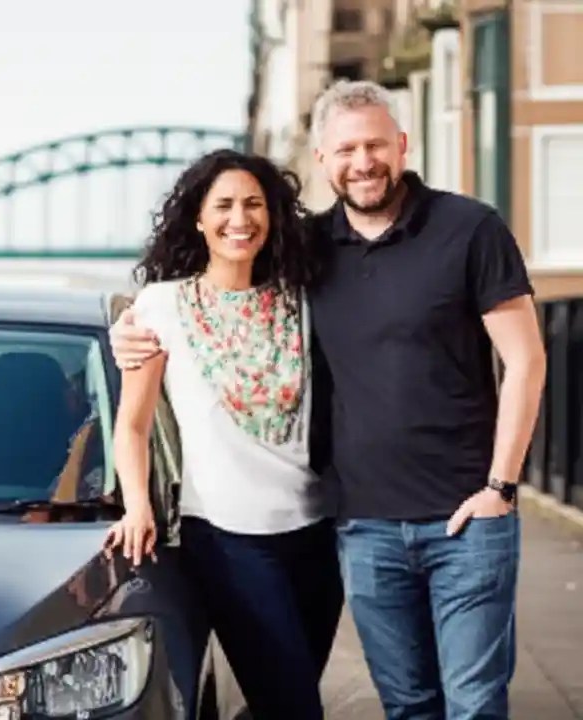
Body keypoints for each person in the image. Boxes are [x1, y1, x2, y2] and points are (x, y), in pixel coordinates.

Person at [109, 80, 547, 720]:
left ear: (402, 146)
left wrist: (501, 488)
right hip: (334, 529)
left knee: (473, 702)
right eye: (346, 149)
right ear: (322, 160)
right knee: (396, 702)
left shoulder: (442, 236)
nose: (362, 161)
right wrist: (127, 334)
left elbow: (528, 359)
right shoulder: (264, 269)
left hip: (403, 522)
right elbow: (138, 414)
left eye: (375, 145)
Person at [102, 147, 343, 720]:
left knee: (283, 698)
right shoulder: (161, 306)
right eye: (226, 205)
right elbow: (131, 426)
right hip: (229, 540)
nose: (242, 219)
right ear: (199, 218)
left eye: (255, 204)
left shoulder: (303, 297)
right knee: (295, 709)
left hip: (317, 535)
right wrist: (137, 507)